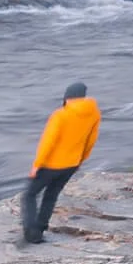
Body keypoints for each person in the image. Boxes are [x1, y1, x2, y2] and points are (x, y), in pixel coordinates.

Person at [22, 82, 101, 244]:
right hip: (72, 164)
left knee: (29, 195)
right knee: (51, 196)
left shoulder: (61, 115)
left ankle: (31, 233)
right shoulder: (94, 114)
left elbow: (48, 142)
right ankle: (41, 228)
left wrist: (37, 164)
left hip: (51, 165)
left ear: (67, 97)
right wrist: (80, 160)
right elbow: (91, 141)